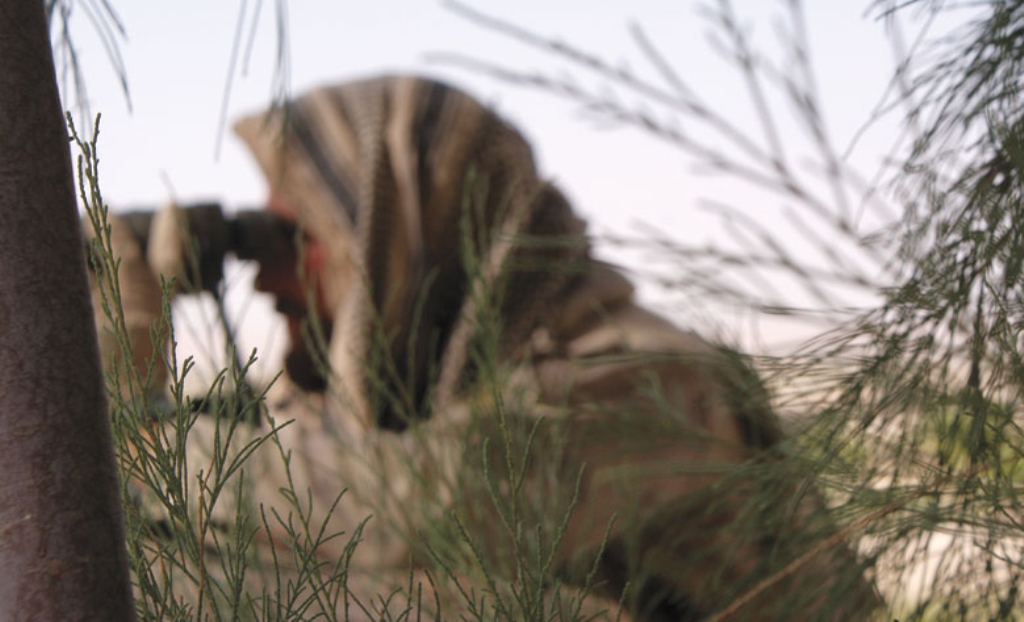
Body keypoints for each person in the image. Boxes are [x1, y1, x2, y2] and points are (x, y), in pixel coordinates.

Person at [89, 75, 881, 621]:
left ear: (397, 241)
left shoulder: (649, 380)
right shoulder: (447, 390)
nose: (267, 277)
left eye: (298, 238)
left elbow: (401, 513)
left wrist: (137, 433)